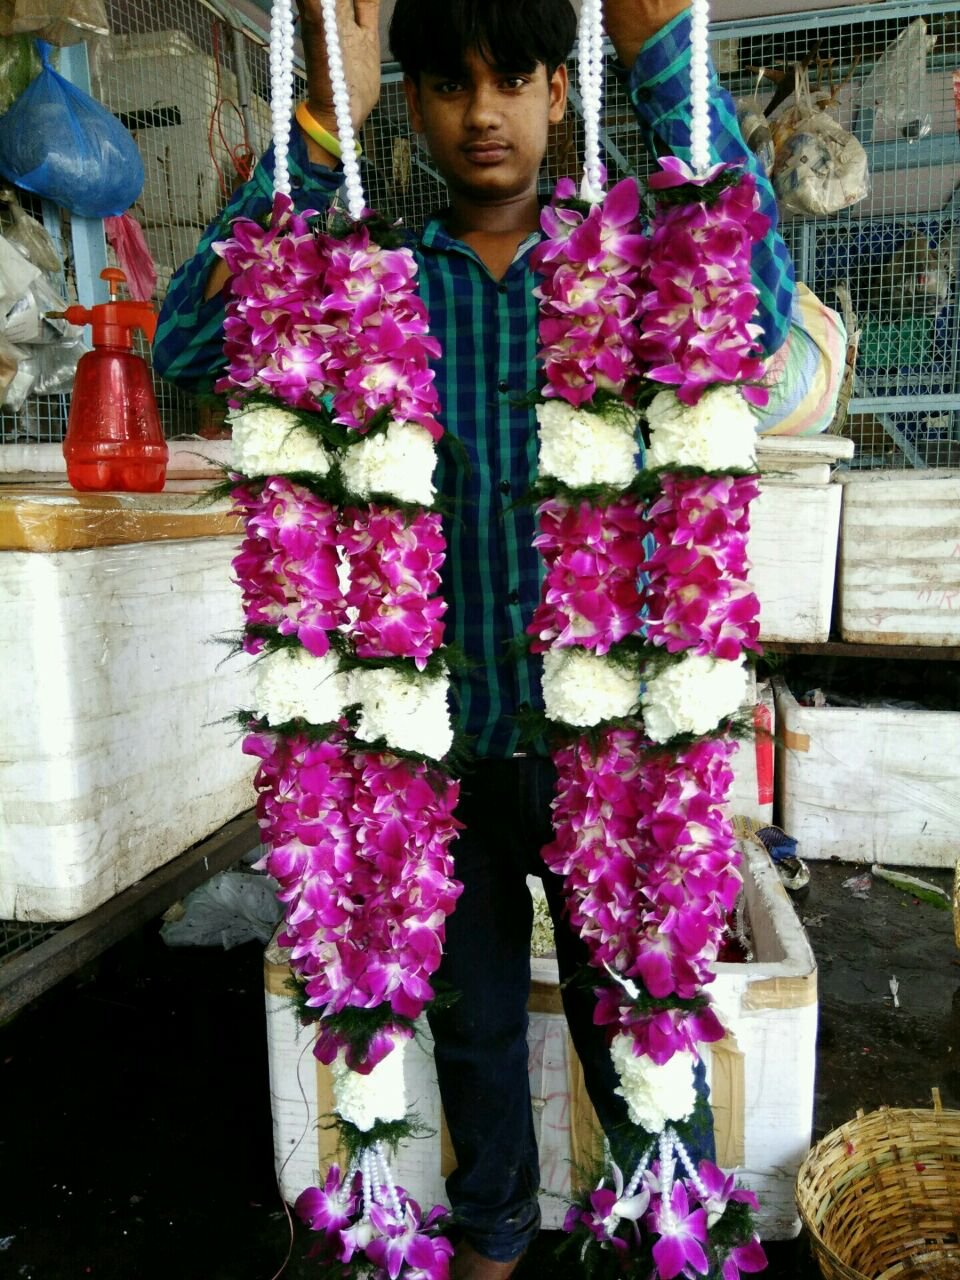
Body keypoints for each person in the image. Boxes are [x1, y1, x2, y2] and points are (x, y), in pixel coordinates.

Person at [153, 3, 834, 1276]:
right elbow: (187, 339)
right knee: (465, 1040)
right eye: (450, 84)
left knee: (635, 1014)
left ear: (559, 93)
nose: (483, 111)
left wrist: (665, 62)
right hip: (436, 763)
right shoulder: (372, 283)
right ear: (407, 105)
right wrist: (314, 133)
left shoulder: (633, 270)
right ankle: (496, 1235)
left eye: (514, 78)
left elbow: (760, 303)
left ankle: (668, 1228)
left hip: (612, 760)